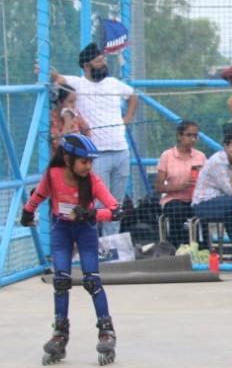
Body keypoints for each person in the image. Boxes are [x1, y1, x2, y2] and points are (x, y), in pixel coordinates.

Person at [20, 134, 121, 366]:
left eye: (91, 161)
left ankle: (106, 330)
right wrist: (27, 212)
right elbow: (39, 194)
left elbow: (116, 210)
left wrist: (91, 214)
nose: (89, 166)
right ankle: (60, 334)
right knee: (61, 280)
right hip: (62, 230)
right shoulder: (53, 175)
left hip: (85, 230)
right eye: (84, 161)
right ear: (67, 159)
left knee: (92, 280)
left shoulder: (92, 180)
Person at [52, 42, 137, 235]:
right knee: (97, 202)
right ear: (86, 65)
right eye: (98, 61)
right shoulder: (78, 84)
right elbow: (57, 78)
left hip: (121, 150)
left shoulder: (113, 83)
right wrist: (48, 73)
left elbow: (133, 96)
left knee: (116, 203)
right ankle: (94, 242)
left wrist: (127, 119)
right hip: (96, 155)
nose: (103, 63)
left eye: (103, 59)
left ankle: (111, 242)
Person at [192, 127, 232, 262]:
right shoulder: (217, 162)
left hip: (223, 203)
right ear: (226, 146)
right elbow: (230, 191)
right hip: (204, 205)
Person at [154, 120, 206, 248]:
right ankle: (178, 247)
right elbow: (158, 186)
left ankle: (204, 247)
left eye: (195, 136)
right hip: (174, 199)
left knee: (206, 210)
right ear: (179, 136)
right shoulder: (167, 156)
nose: (193, 139)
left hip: (196, 199)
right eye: (189, 135)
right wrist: (180, 187)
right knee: (177, 211)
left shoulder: (200, 156)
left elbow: (209, 179)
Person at [49, 83, 90, 150]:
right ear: (59, 102)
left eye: (74, 101)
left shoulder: (75, 114)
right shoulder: (52, 119)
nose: (74, 105)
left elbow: (87, 132)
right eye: (71, 102)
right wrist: (68, 122)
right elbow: (58, 146)